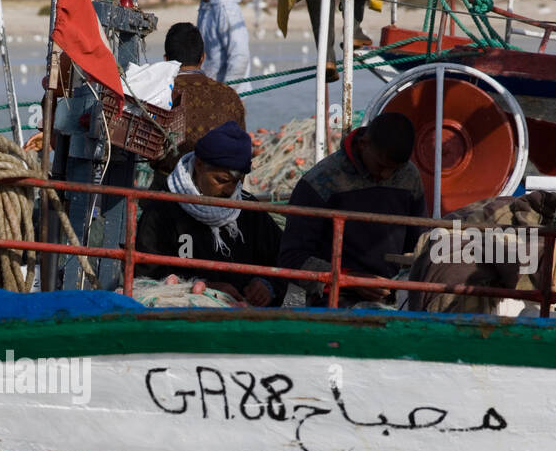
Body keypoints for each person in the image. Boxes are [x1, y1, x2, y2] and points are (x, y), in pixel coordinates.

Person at [277, 112, 425, 307]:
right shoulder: (319, 182)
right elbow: (292, 258)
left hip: (394, 295)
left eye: (395, 169)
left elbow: (418, 244)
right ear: (363, 144)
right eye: (381, 166)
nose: (387, 174)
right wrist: (351, 280)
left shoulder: (410, 176)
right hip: (331, 298)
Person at [136, 121, 283, 306]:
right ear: (199, 165)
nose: (229, 190)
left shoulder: (249, 210)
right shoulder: (163, 210)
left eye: (236, 182)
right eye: (221, 180)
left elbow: (283, 258)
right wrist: (203, 288)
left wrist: (267, 285)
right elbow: (146, 276)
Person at [153, 22, 246, 178]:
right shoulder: (230, 96)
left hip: (169, 186)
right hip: (218, 191)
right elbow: (241, 151)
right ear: (202, 58)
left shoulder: (159, 93)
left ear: (166, 60)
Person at [180, 0, 250, 84]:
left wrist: (228, 94)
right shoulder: (206, 5)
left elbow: (240, 55)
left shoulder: (226, 8)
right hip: (211, 89)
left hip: (226, 94)